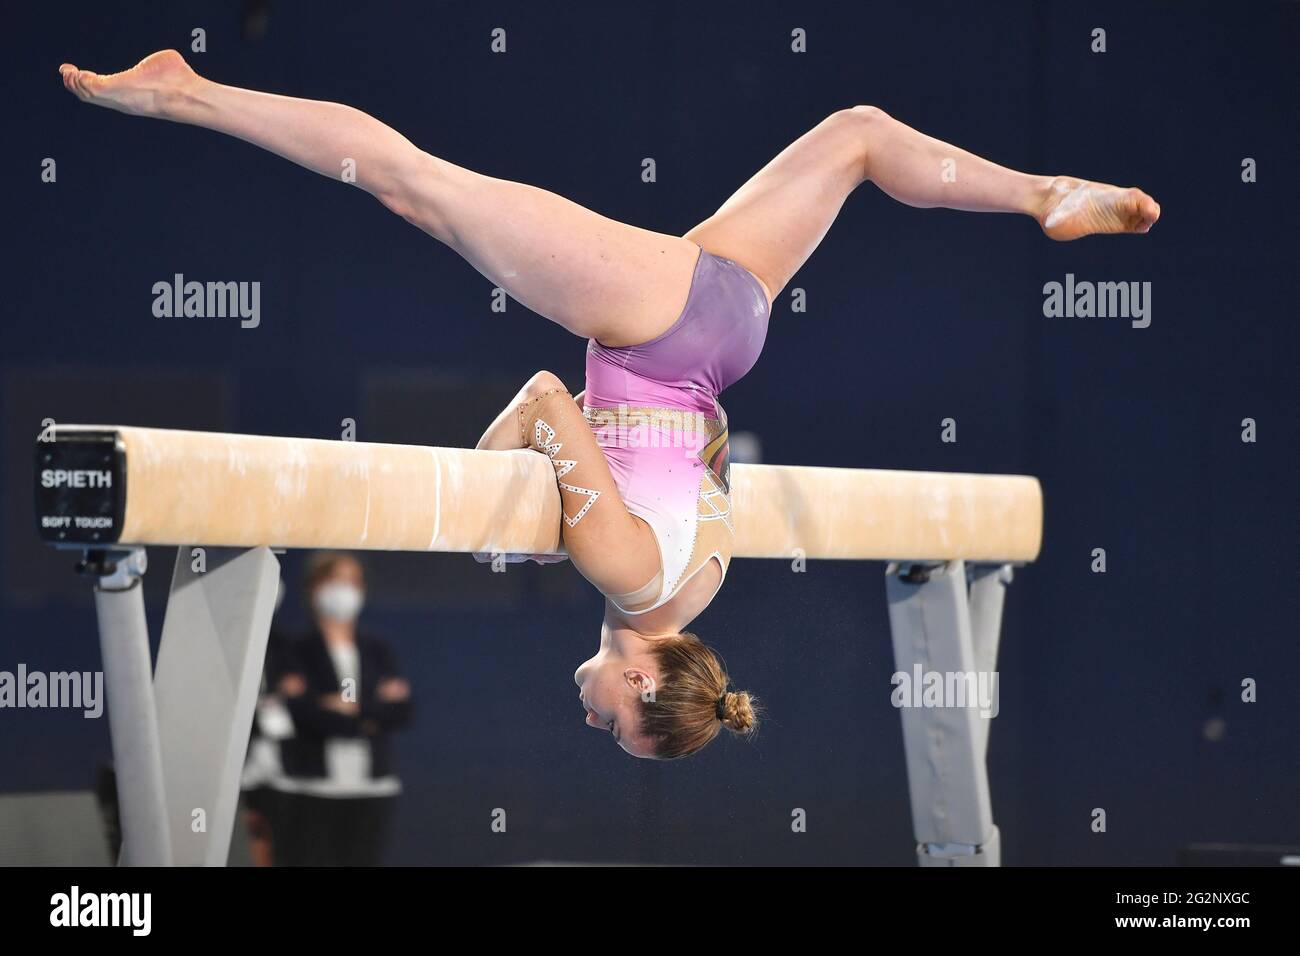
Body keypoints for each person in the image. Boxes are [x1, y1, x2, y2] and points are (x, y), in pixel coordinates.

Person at [59, 50, 1159, 759]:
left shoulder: (705, 578)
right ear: (642, 674)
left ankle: (1039, 192)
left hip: (722, 334)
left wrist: (563, 508)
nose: (592, 718)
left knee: (859, 131)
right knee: (412, 182)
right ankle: (186, 93)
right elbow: (544, 396)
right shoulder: (628, 573)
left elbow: (710, 447)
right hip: (657, 324)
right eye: (613, 719)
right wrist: (488, 487)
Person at [269, 553, 412, 866]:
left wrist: (342, 707)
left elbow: (402, 713)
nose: (345, 589)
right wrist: (368, 713)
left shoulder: (377, 649)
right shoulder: (296, 649)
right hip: (312, 788)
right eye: (336, 580)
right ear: (314, 587)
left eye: (353, 580)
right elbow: (300, 713)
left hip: (371, 787)